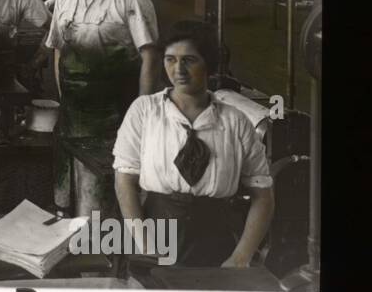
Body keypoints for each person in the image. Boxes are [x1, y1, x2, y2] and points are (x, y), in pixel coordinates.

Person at [113, 22, 274, 267]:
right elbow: (125, 181)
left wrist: (240, 257)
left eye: (189, 60)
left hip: (216, 243)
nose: (178, 70)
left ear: (208, 63)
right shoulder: (144, 111)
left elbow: (263, 196)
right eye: (170, 59)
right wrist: (145, 247)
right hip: (153, 234)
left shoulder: (236, 122)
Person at [46, 0, 160, 220]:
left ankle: (106, 258)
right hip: (73, 116)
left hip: (115, 117)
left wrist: (141, 112)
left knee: (107, 197)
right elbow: (58, 50)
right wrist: (64, 99)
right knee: (69, 192)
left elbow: (150, 56)